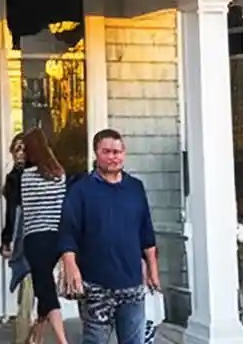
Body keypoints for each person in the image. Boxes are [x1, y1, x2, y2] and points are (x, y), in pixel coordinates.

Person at [58, 129, 158, 344]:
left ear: (124, 153)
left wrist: (152, 269)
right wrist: (70, 265)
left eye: (118, 152)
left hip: (131, 283)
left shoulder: (135, 188)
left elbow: (146, 231)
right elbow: (67, 231)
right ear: (96, 153)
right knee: (95, 340)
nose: (113, 157)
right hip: (95, 285)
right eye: (107, 152)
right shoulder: (80, 190)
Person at [19, 128, 70, 344]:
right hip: (56, 237)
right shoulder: (60, 174)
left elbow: (27, 209)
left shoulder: (26, 177)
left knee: (45, 289)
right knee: (44, 285)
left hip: (35, 237)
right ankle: (35, 338)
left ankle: (62, 341)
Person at [0, 132, 34, 344]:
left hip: (31, 234)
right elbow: (11, 212)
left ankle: (26, 336)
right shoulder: (14, 176)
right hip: (23, 234)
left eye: (23, 148)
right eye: (16, 149)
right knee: (27, 286)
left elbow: (15, 212)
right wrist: (6, 239)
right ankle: (26, 335)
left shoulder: (30, 176)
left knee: (30, 286)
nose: (19, 153)